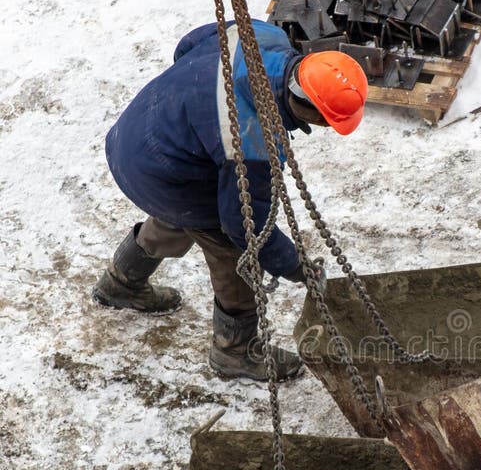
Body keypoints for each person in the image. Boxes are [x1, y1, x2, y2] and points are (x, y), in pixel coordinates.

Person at [93, 19, 368, 381]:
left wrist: (194, 109)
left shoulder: (266, 35)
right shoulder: (249, 142)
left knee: (188, 211)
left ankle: (122, 282)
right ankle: (234, 351)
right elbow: (246, 228)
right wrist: (293, 265)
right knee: (230, 249)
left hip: (137, 133)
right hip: (161, 169)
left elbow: (189, 45)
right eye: (327, 122)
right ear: (309, 109)